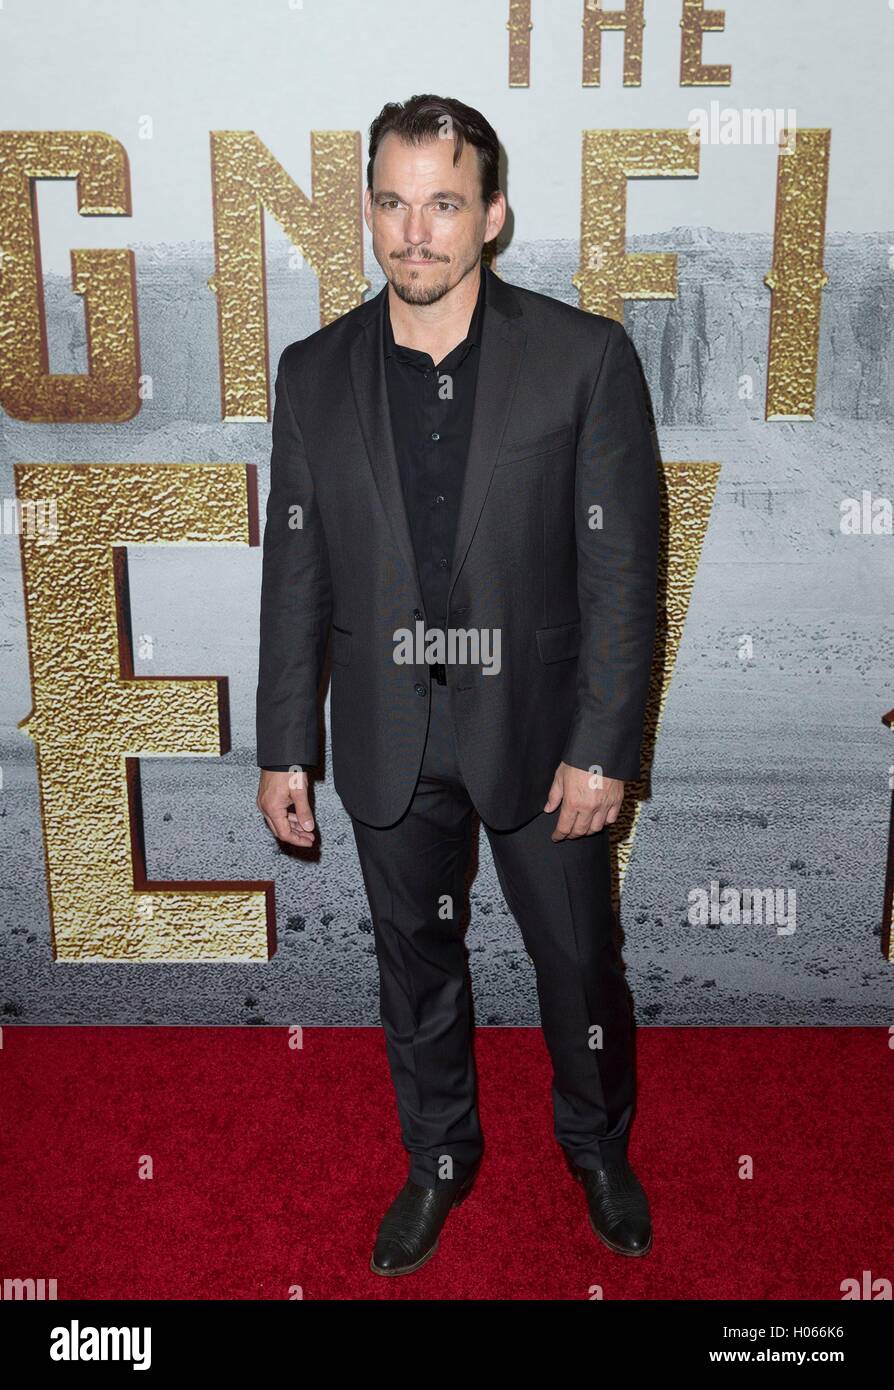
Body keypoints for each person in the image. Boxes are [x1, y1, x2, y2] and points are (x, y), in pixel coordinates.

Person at [256, 93, 660, 1276]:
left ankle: (596, 1147)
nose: (414, 231)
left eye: (443, 203)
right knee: (415, 966)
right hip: (387, 731)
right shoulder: (315, 371)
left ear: (492, 215)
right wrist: (288, 743)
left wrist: (603, 746)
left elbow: (624, 571)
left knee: (579, 960)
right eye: (392, 202)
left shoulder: (583, 357)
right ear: (368, 212)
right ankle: (440, 1159)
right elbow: (298, 569)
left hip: (541, 738)